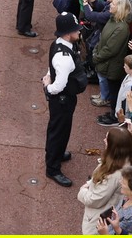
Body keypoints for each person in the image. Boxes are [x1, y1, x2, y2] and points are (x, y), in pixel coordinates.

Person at [43, 11, 87, 186]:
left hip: (64, 98)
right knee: (58, 131)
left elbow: (51, 69)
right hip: (62, 99)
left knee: (61, 129)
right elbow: (58, 86)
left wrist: (48, 79)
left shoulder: (59, 44)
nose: (79, 32)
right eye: (76, 30)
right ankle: (52, 168)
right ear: (68, 33)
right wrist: (48, 87)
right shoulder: (64, 57)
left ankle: (58, 153)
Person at [77, 127, 132, 234]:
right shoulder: (127, 161)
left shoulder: (113, 174)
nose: (104, 140)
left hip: (96, 221)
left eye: (107, 139)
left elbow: (95, 200)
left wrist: (82, 191)